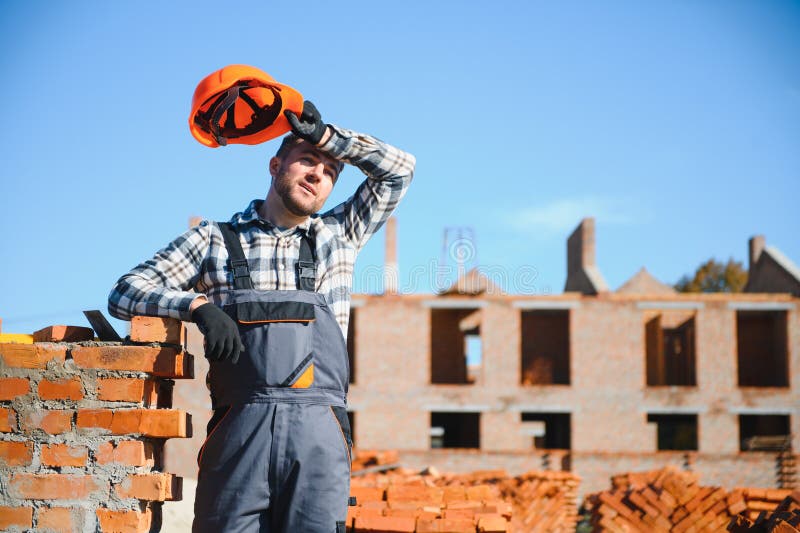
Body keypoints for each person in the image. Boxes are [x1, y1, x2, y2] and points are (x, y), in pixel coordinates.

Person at [108, 100, 415, 533]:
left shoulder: (339, 235)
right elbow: (125, 292)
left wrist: (329, 139)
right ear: (275, 165)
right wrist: (196, 306)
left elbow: (399, 169)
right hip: (239, 435)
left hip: (318, 437)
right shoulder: (213, 240)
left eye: (330, 172)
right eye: (307, 161)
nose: (317, 175)